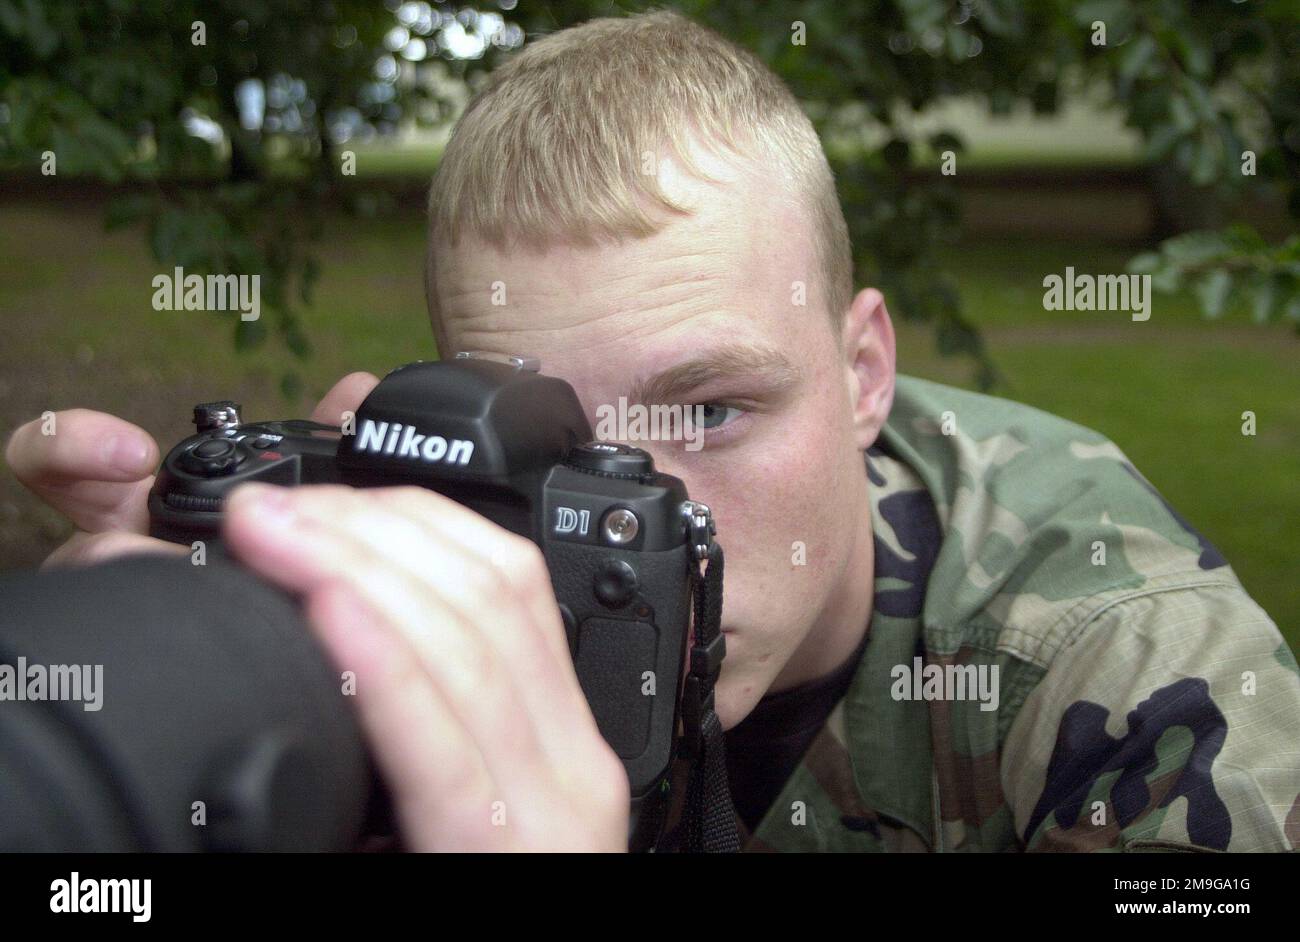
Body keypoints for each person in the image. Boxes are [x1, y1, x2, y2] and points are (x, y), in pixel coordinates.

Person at [6, 10, 1297, 852]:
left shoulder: (1114, 655)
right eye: (551, 436)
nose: (646, 514)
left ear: (863, 373)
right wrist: (220, 674)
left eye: (711, 409)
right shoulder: (459, 569)